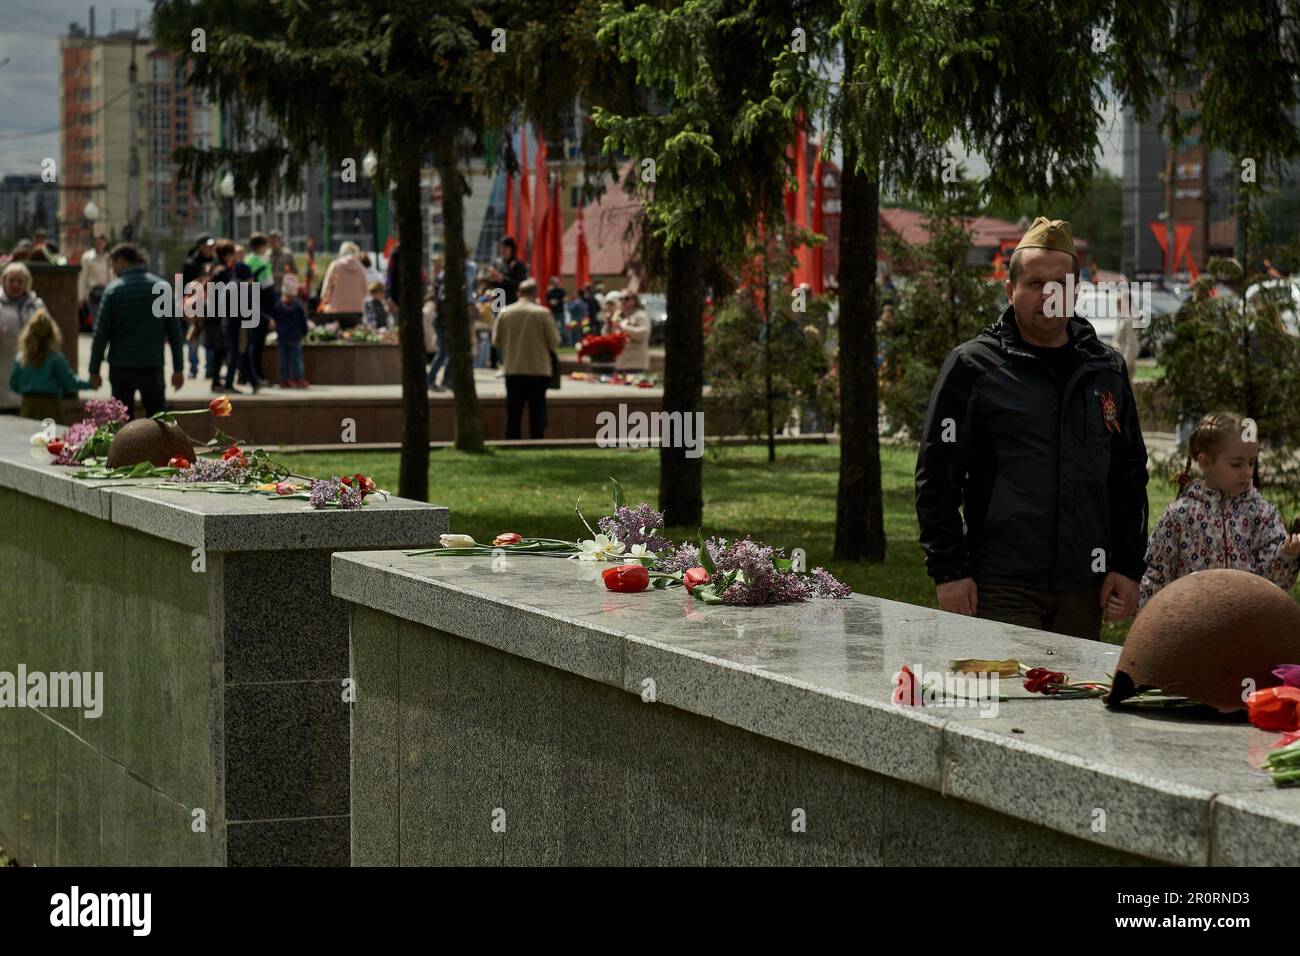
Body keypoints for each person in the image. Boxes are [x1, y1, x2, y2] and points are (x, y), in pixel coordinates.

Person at [914, 217, 1149, 640]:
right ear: (1010, 291)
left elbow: (1128, 475)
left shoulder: (1105, 368)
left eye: (1060, 283)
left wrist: (1127, 566)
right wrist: (948, 570)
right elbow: (937, 475)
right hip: (1002, 584)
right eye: (1035, 282)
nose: (1049, 294)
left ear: (1077, 292)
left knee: (1074, 699)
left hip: (1083, 586)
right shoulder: (973, 367)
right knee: (1014, 699)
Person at [1139, 411, 1300, 609]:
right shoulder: (1179, 515)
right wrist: (1133, 603)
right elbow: (1156, 574)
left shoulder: (1263, 514)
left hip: (1246, 627)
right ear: (1206, 463)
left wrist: (1284, 556)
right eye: (1236, 464)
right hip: (1192, 627)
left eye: (1251, 462)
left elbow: (1269, 587)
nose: (1247, 472)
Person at [87, 243, 185, 419]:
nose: (113, 270)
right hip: (152, 366)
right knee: (158, 420)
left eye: (114, 264)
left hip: (121, 367)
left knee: (122, 421)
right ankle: (159, 447)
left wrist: (94, 370)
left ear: (123, 261)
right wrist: (179, 368)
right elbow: (174, 333)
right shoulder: (161, 287)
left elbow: (101, 335)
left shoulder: (113, 291)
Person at [492, 277, 559, 439]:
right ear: (536, 293)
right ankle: (537, 442)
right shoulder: (543, 313)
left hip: (513, 368)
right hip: (539, 369)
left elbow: (496, 341)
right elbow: (554, 342)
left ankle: (511, 443)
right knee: (537, 411)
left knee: (513, 412)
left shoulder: (505, 312)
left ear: (518, 293)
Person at [9, 309, 91, 423]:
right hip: (50, 407)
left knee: (27, 438)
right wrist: (90, 384)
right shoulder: (56, 358)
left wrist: (27, 389)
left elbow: (13, 383)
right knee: (51, 439)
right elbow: (70, 382)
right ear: (52, 333)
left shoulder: (21, 357)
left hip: (29, 407)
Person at [0, 262, 49, 415]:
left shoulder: (36, 305)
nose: (15, 284)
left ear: (27, 283)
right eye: (12, 280)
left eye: (20, 281)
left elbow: (48, 332)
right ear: (4, 281)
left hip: (31, 373)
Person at [212, 239, 257, 394]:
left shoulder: (225, 270)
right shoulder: (222, 271)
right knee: (235, 351)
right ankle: (230, 383)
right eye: (232, 253)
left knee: (235, 351)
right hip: (231, 318)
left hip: (228, 317)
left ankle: (251, 382)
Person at [245, 233, 276, 386]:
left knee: (248, 343)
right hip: (261, 308)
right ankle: (257, 375)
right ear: (262, 246)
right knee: (257, 345)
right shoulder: (263, 264)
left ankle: (245, 375)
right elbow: (269, 289)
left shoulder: (247, 260)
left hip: (247, 307)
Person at [271, 274, 309, 388]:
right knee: (296, 360)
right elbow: (303, 322)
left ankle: (284, 379)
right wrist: (304, 332)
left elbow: (275, 320)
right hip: (295, 337)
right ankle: (298, 379)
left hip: (282, 337)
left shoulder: (278, 305)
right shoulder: (298, 306)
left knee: (284, 361)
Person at [78, 234, 114, 332]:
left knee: (106, 320)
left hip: (106, 293)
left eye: (102, 241)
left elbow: (112, 277)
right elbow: (82, 277)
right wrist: (80, 297)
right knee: (96, 320)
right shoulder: (87, 258)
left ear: (105, 243)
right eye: (97, 241)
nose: (99, 244)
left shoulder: (109, 258)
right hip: (92, 294)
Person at [320, 241, 368, 314]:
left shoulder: (336, 265)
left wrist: (325, 300)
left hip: (337, 308)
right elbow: (365, 290)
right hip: (357, 309)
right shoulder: (361, 268)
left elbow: (328, 286)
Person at [611, 289, 650, 373]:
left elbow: (643, 334)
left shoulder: (640, 315)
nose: (623, 301)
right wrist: (608, 325)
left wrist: (622, 327)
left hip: (635, 364)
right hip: (620, 364)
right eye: (621, 299)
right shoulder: (619, 316)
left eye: (627, 298)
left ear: (635, 301)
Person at [545, 275, 567, 342]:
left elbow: (565, 299)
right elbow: (547, 300)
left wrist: (558, 301)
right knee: (554, 327)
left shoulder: (561, 291)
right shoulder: (549, 291)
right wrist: (551, 302)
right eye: (553, 283)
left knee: (563, 327)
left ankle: (565, 341)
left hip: (560, 311)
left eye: (555, 283)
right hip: (553, 312)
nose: (554, 284)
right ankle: (555, 340)